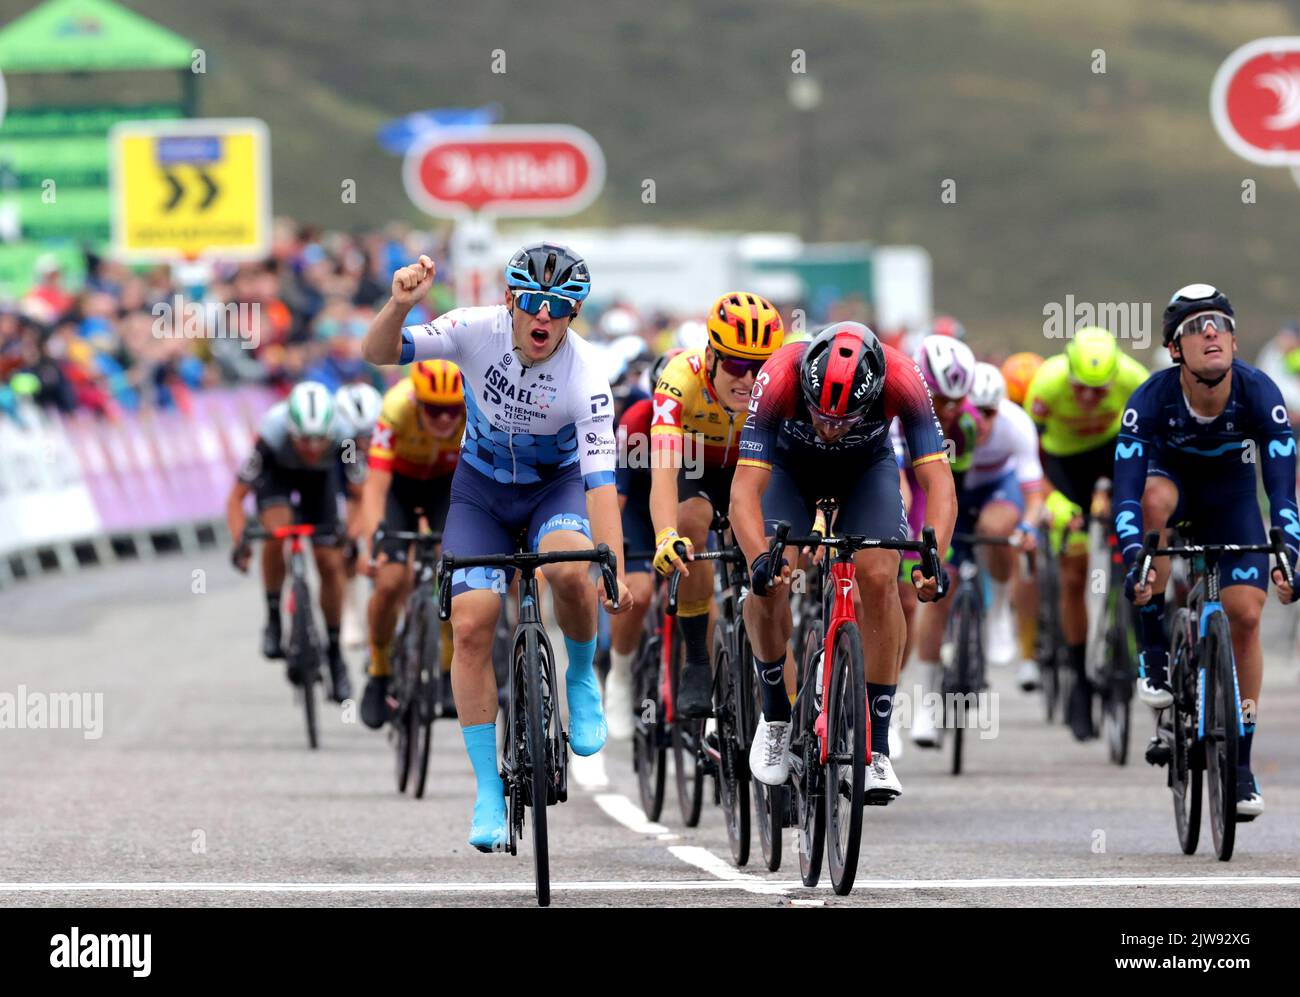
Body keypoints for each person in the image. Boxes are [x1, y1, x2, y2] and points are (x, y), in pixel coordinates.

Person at [360, 243, 631, 851]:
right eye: (532, 301)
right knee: (475, 625)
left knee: (569, 570)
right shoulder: (471, 329)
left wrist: (609, 563)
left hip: (551, 490)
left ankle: (581, 676)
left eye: (560, 307)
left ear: (574, 312)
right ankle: (487, 788)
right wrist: (398, 305)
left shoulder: (586, 375)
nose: (544, 316)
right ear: (510, 299)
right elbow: (377, 353)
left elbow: (599, 482)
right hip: (480, 494)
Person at [730, 322, 956, 799]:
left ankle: (874, 749)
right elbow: (745, 490)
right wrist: (757, 562)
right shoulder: (779, 377)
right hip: (789, 472)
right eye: (820, 415)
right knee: (770, 578)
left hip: (865, 471)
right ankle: (774, 718)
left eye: (844, 420)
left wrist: (934, 557)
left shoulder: (903, 379)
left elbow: (938, 482)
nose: (830, 428)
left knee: (879, 575)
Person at [1118, 285, 1297, 818]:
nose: (1211, 332)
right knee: (1154, 499)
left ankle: (1240, 766)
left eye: (1220, 323)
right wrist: (1135, 558)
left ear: (1235, 341)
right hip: (1170, 491)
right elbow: (1127, 493)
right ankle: (1154, 649)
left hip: (1234, 501)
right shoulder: (1149, 400)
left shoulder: (1261, 394)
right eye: (1195, 327)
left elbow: (1283, 492)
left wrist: (1288, 550)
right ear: (1176, 350)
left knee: (1244, 616)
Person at [650, 292, 785, 719]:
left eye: (759, 367)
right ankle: (697, 658)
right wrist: (665, 534)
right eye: (735, 364)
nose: (748, 379)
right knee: (691, 521)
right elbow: (663, 471)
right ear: (710, 355)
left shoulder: (779, 387)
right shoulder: (679, 377)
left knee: (770, 545)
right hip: (696, 468)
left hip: (750, 466)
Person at [1023, 327, 1147, 740]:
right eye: (1082, 390)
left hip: (1113, 454)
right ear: (1069, 374)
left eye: (1101, 391)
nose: (1091, 399)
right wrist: (1052, 501)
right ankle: (1078, 679)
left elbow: (1152, 441)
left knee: (1132, 544)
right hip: (1063, 465)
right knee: (1074, 571)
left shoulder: (1133, 377)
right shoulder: (1048, 382)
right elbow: (1030, 452)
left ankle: (1132, 642)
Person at [227, 380, 363, 702]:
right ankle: (273, 617)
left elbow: (359, 494)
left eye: (320, 440)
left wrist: (352, 534)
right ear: (290, 430)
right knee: (277, 531)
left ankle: (334, 654)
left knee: (330, 561)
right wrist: (240, 542)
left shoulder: (344, 436)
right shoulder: (271, 435)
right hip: (279, 477)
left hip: (322, 483)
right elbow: (236, 498)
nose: (313, 449)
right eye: (304, 440)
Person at [355, 360, 466, 729]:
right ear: (417, 402)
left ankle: (449, 673)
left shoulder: (474, 406)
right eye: (435, 410)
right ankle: (379, 669)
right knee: (389, 581)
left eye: (453, 410)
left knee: (457, 574)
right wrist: (377, 539)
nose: (446, 420)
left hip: (444, 487)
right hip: (399, 489)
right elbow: (375, 485)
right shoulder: (395, 407)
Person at [898, 335, 982, 748]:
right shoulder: (899, 413)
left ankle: (928, 702)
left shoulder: (967, 424)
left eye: (957, 400)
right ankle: (884, 700)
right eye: (939, 400)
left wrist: (939, 547)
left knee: (935, 588)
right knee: (898, 594)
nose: (948, 411)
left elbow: (951, 489)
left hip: (939, 489)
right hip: (901, 486)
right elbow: (903, 487)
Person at [606, 349, 681, 738]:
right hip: (637, 506)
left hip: (685, 502)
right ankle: (619, 676)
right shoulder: (636, 420)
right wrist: (612, 566)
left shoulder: (714, 418)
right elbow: (617, 498)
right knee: (640, 591)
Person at [965, 363, 1044, 688]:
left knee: (997, 528)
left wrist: (1027, 527)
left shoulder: (1015, 423)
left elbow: (1035, 497)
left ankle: (999, 607)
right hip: (956, 486)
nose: (981, 421)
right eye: (975, 411)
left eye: (989, 412)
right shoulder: (944, 423)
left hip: (998, 485)